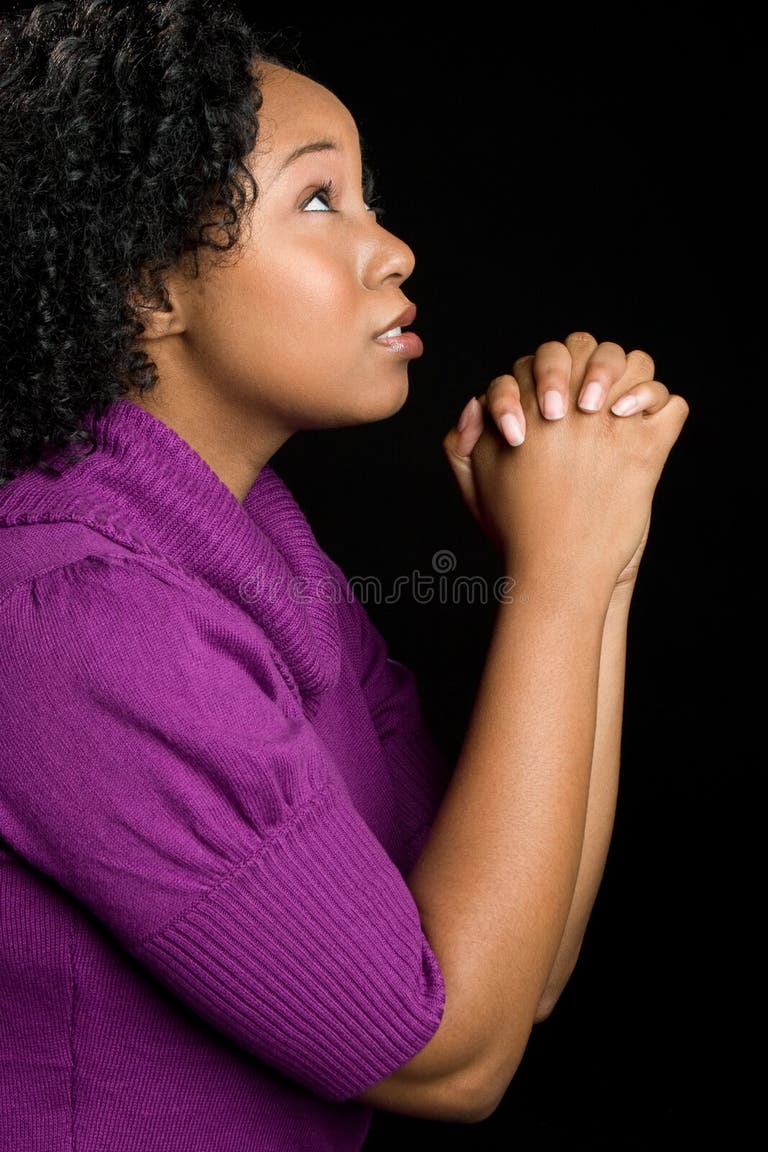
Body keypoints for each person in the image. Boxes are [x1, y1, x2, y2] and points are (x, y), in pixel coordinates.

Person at [0, 2, 689, 1150]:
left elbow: (512, 970)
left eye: (371, 198)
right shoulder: (73, 608)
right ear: (146, 285)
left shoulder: (257, 548)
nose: (394, 248)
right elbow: (449, 1057)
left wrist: (594, 553)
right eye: (320, 200)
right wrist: (563, 574)